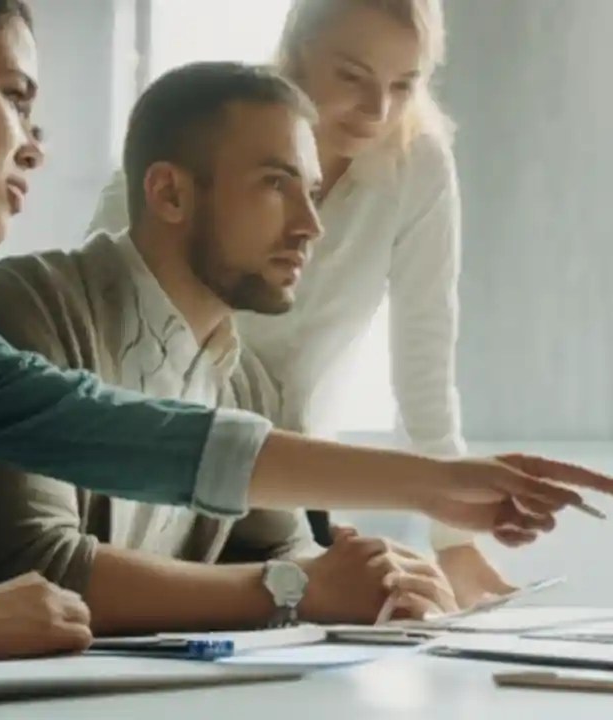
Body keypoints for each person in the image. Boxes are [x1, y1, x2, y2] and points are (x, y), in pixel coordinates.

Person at [0, 0, 613, 660]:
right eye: (15, 97)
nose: (36, 143)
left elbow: (133, 438)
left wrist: (437, 490)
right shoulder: (20, 304)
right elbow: (49, 555)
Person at [0, 62, 463, 633]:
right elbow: (42, 571)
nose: (312, 224)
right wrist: (302, 588)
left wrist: (384, 579)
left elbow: (289, 557)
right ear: (169, 193)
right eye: (275, 185)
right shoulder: (22, 307)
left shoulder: (245, 379)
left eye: (311, 192)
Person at [85, 0, 510, 607]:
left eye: (404, 84)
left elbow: (426, 353)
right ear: (294, 49)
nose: (379, 110)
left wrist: (455, 538)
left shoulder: (417, 165)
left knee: (375, 611)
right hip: (167, 458)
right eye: (352, 77)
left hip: (290, 485)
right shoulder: (207, 136)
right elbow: (101, 300)